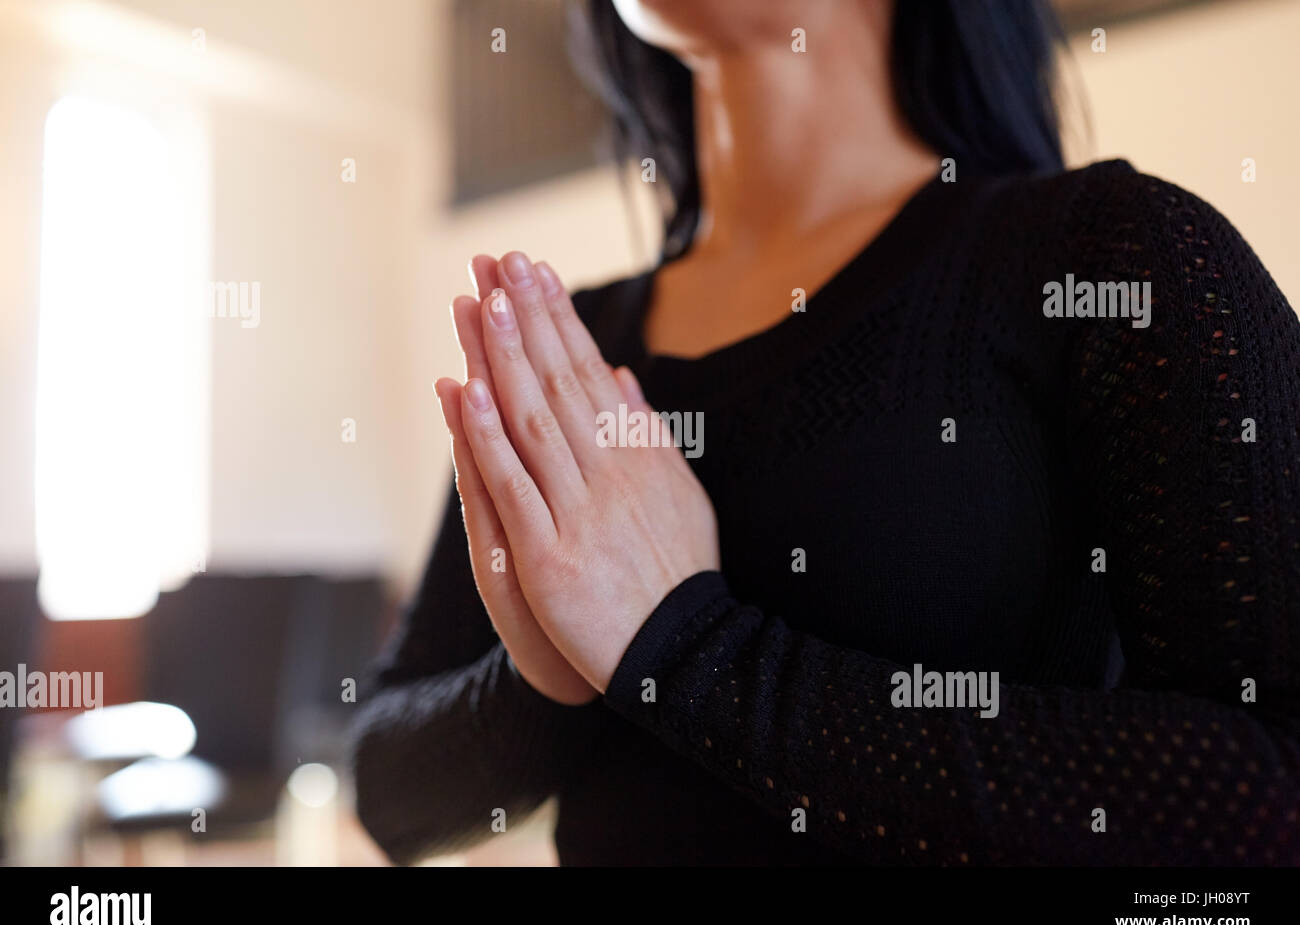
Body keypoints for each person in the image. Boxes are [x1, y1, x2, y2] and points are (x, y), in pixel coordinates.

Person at [350, 0, 1300, 865]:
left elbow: (1269, 793)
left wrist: (680, 649)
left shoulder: (1120, 259)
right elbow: (389, 792)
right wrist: (549, 679)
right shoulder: (569, 351)